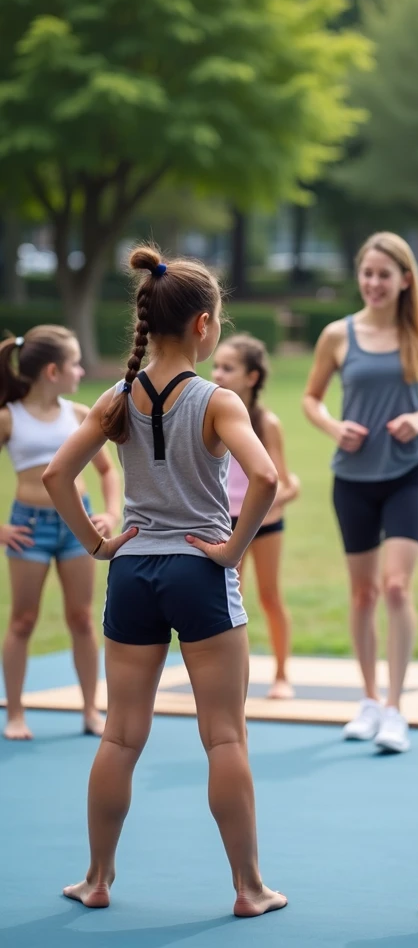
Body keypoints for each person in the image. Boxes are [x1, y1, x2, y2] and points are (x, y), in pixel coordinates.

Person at [42, 246, 287, 918]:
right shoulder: (216, 400)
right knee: (225, 737)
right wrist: (233, 549)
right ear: (204, 325)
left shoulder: (116, 397)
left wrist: (98, 545)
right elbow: (266, 478)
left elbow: (58, 476)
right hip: (198, 570)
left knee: (120, 736)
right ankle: (249, 888)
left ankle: (96, 878)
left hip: (132, 573)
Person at [303, 232, 418, 753]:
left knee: (395, 587)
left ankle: (395, 709)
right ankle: (368, 700)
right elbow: (311, 399)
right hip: (352, 479)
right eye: (367, 273)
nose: (373, 283)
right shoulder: (337, 335)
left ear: (405, 280)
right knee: (363, 593)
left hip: (408, 475)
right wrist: (333, 427)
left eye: (384, 275)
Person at [0, 325, 120, 741]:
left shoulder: (79, 415)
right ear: (53, 371)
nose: (82, 371)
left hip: (76, 526)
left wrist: (110, 512)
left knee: (82, 618)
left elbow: (107, 471)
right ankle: (15, 713)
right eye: (75, 364)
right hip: (28, 529)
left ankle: (90, 710)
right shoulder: (8, 418)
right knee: (22, 620)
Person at [212, 334, 300, 699]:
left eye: (228, 368)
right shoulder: (210, 415)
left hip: (264, 525)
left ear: (252, 377)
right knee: (229, 602)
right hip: (223, 524)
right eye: (216, 366)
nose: (217, 374)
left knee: (269, 596)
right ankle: (230, 678)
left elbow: (283, 481)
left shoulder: (267, 423)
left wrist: (281, 496)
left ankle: (281, 675)